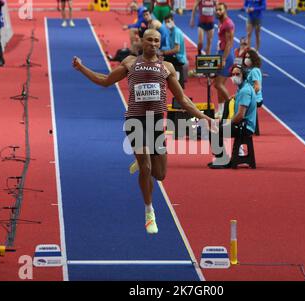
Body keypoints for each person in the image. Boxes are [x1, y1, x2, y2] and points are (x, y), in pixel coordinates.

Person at [72, 29, 216, 234]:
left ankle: (142, 160)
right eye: (149, 40)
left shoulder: (166, 67)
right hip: (135, 121)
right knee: (146, 167)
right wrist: (81, 68)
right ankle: (149, 212)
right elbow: (105, 80)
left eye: (157, 40)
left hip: (156, 123)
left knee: (160, 174)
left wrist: (205, 118)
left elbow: (182, 99)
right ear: (142, 41)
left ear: (160, 43)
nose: (153, 43)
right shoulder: (131, 63)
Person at [208, 64, 257, 168]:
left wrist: (227, 124)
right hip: (241, 124)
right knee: (215, 129)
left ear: (243, 75)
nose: (234, 76)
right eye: (233, 74)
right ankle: (222, 158)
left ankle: (222, 160)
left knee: (214, 131)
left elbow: (240, 115)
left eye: (237, 74)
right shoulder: (242, 88)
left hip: (244, 127)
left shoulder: (245, 91)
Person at [213, 2, 235, 119]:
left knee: (218, 84)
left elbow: (229, 43)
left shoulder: (228, 24)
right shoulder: (221, 22)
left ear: (225, 10)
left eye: (220, 10)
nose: (218, 12)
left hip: (226, 56)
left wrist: (224, 59)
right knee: (217, 84)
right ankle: (221, 111)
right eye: (216, 10)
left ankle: (233, 107)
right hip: (221, 53)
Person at [162, 14, 187, 88]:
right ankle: (169, 79)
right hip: (175, 56)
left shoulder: (176, 32)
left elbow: (176, 49)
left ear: (173, 21)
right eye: (166, 22)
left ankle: (169, 80)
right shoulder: (171, 31)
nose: (167, 24)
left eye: (169, 21)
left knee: (161, 59)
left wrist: (164, 52)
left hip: (179, 58)